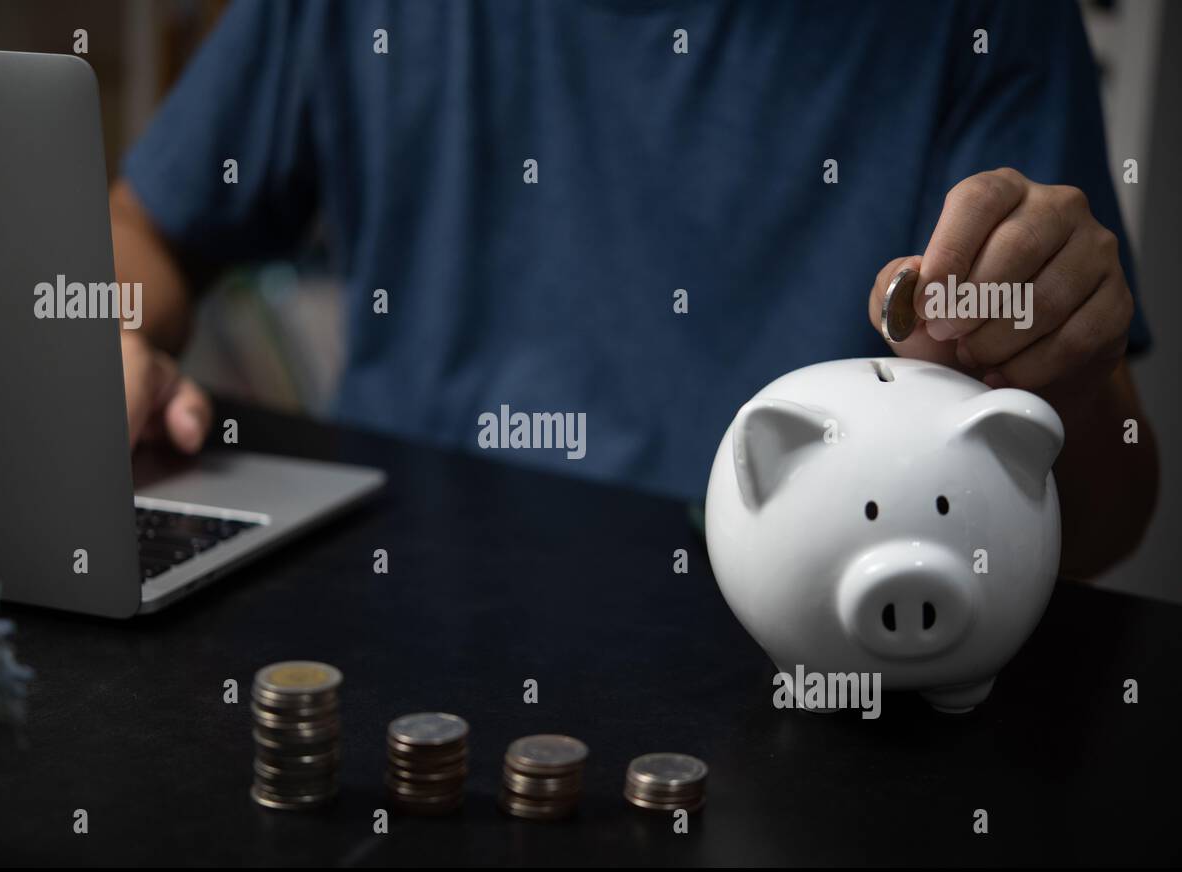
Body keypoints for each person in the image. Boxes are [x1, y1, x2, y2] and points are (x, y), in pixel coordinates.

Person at [111, 0, 1157, 578]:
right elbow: (144, 229)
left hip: (812, 680)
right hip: (393, 603)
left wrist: (1059, 374)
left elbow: (1109, 516)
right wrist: (107, 341)